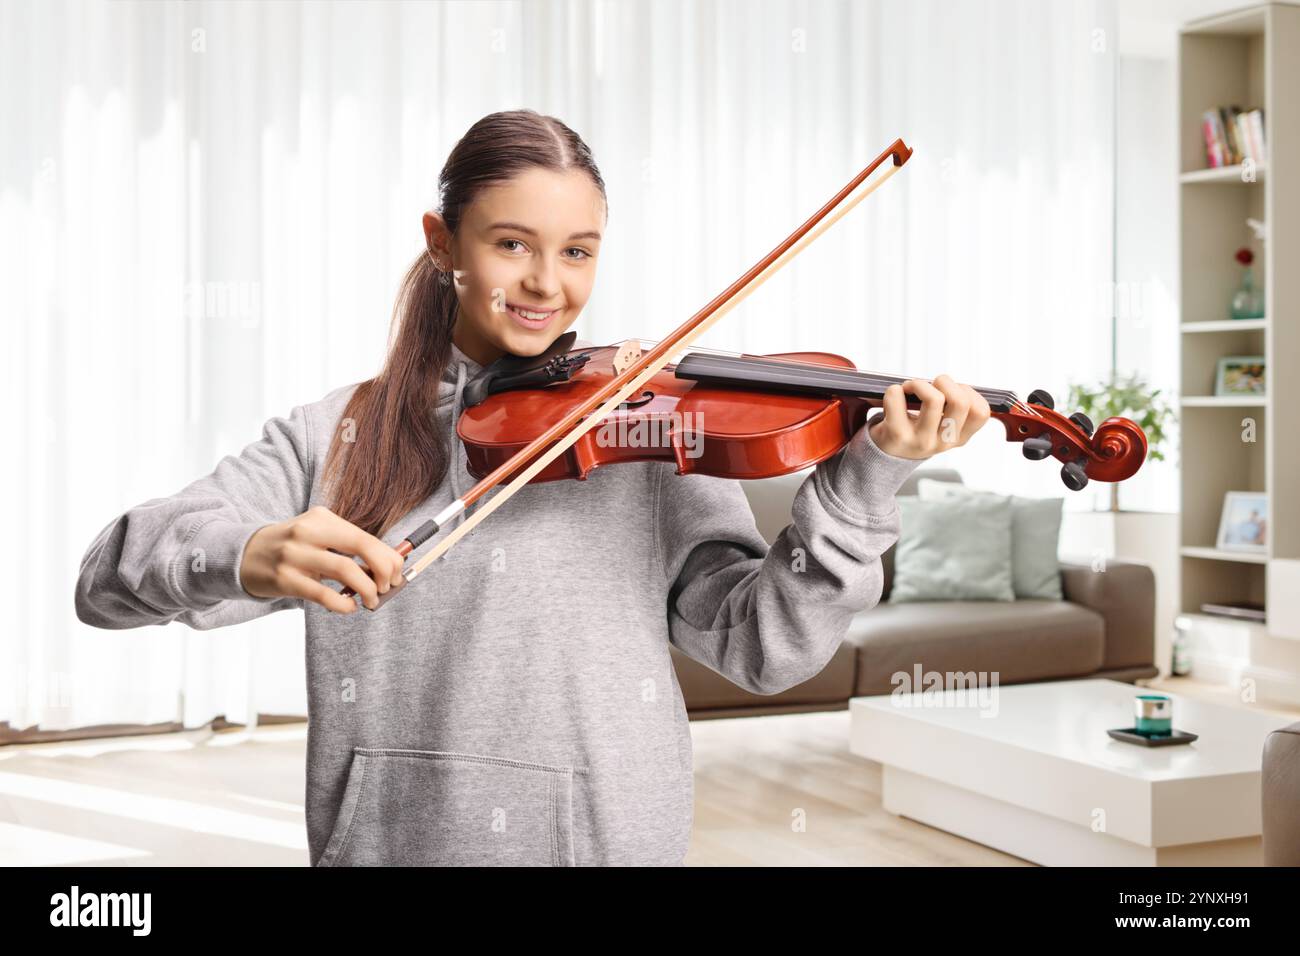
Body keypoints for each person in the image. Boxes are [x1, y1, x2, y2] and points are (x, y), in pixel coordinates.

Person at [75, 109, 991, 866]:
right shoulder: (335, 433)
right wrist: (247, 555)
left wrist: (866, 478)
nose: (548, 285)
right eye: (513, 243)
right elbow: (106, 581)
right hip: (392, 846)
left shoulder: (638, 422)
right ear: (445, 244)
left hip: (605, 843)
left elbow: (766, 651)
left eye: (579, 252)